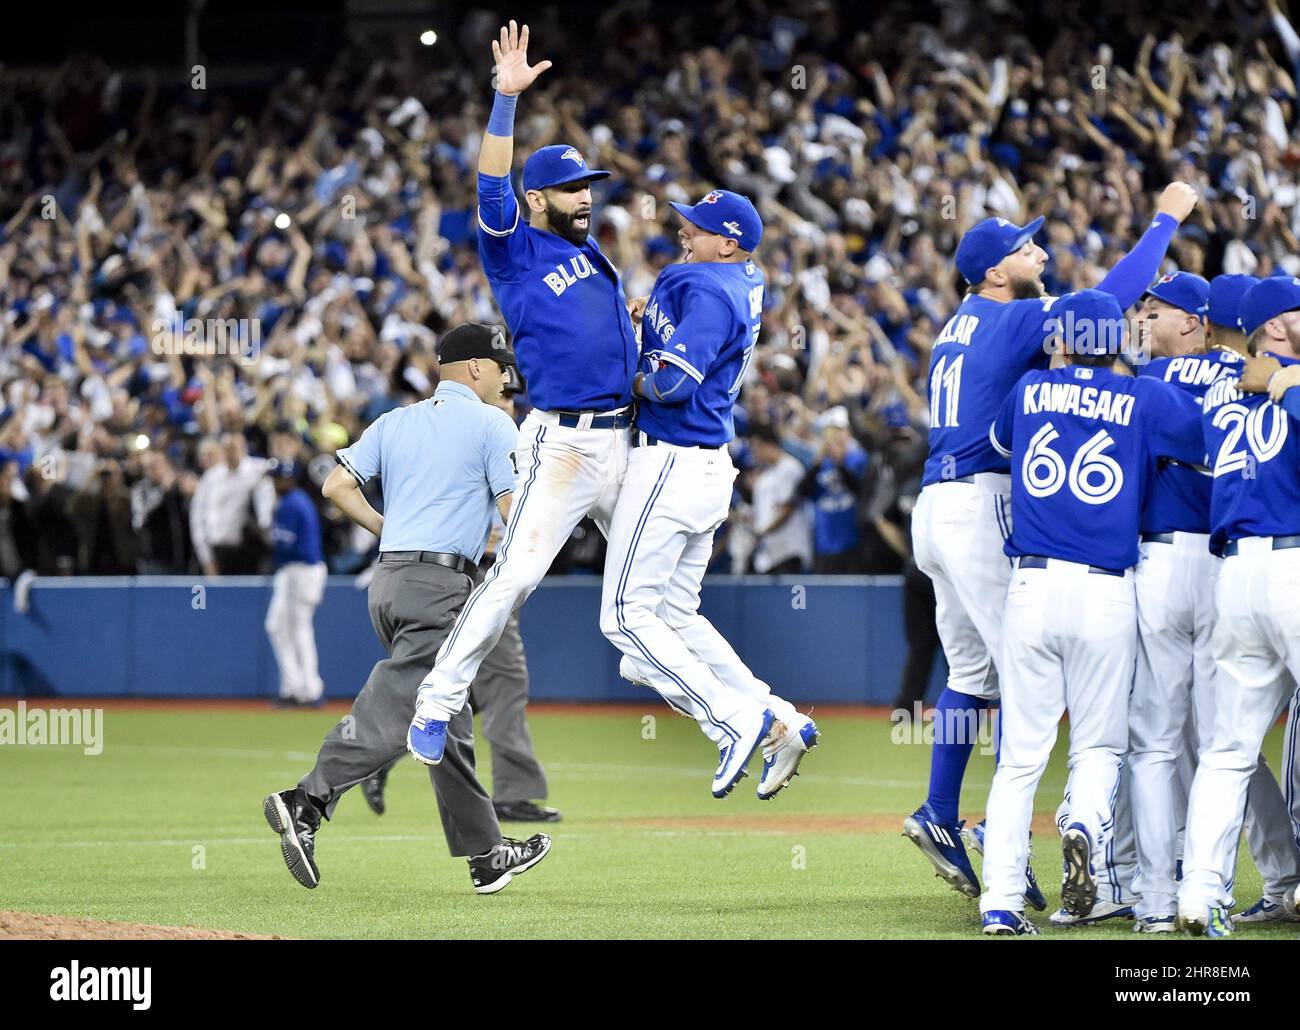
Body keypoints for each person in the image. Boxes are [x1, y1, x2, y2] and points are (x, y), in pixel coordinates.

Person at [902, 182, 1199, 901]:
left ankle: (942, 811)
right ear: (997, 273)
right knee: (1024, 686)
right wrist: (1164, 220)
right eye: (1023, 245)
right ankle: (1009, 853)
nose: (1038, 248)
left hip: (934, 504)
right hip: (980, 502)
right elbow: (1112, 297)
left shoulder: (959, 323)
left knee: (972, 675)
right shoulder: (1012, 318)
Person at [408, 21, 639, 764]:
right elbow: (488, 183)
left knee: (659, 579)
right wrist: (504, 101)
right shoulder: (514, 248)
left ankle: (733, 715)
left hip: (625, 440)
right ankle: (436, 702)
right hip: (564, 442)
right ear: (537, 199)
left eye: (590, 187)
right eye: (572, 188)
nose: (585, 198)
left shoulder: (591, 252)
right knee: (512, 578)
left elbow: (604, 340)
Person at [263, 323, 551, 895]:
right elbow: (514, 511)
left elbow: (337, 487)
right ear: (475, 368)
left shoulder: (394, 420)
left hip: (389, 579)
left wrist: (388, 529)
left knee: (447, 716)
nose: (505, 378)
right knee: (400, 709)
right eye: (499, 368)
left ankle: (486, 853)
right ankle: (306, 800)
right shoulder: (495, 423)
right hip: (440, 584)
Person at [978, 290, 1206, 936]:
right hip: (1107, 587)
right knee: (1100, 744)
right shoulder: (1143, 397)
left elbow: (997, 443)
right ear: (1118, 342)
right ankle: (1082, 823)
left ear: (1063, 340)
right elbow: (1204, 444)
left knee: (1020, 755)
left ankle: (999, 903)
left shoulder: (1028, 392)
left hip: (1030, 585)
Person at [600, 189, 818, 800]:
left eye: (697, 228)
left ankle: (733, 723)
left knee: (624, 617)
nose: (683, 232)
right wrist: (656, 321)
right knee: (675, 616)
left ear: (728, 242)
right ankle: (781, 718)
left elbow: (670, 383)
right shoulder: (743, 278)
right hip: (707, 466)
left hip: (672, 460)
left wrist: (622, 376)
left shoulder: (709, 288)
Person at [1128, 272, 1300, 931]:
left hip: (1232, 576)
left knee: (1223, 749)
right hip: (1286, 564)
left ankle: (1196, 895)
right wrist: (1283, 383)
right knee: (1226, 746)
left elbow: (1169, 438)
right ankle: (1283, 878)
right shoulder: (1276, 383)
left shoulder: (1210, 394)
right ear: (1274, 326)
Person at [361, 366, 560, 824]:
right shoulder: (491, 433)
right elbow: (513, 513)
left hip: (445, 575)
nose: (510, 402)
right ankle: (512, 794)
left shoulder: (456, 431)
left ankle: (379, 757)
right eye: (506, 393)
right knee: (500, 682)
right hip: (472, 576)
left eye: (514, 397)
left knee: (451, 684)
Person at [264, 459, 327, 707]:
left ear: (288, 479)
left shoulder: (292, 503)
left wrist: (261, 536)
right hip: (297, 571)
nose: (274, 483)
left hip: (302, 571)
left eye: (278, 478)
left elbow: (283, 544)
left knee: (299, 630)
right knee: (279, 627)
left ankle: (309, 689)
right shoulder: (294, 501)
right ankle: (295, 686)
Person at [190, 433, 274, 575]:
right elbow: (198, 519)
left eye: (235, 448)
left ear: (244, 448)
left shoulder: (258, 470)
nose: (231, 453)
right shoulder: (211, 477)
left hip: (248, 551)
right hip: (218, 551)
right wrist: (206, 558)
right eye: (227, 449)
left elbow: (275, 473)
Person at [800, 407, 869, 574]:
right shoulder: (819, 463)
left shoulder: (859, 458)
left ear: (848, 432)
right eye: (830, 433)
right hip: (825, 542)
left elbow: (862, 491)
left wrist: (840, 463)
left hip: (853, 540)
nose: (835, 438)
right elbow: (802, 491)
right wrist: (818, 462)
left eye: (839, 431)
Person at [747, 424, 812, 574]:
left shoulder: (790, 468)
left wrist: (763, 531)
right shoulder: (765, 473)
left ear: (769, 445)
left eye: (757, 447)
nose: (754, 452)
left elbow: (788, 508)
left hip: (790, 550)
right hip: (770, 552)